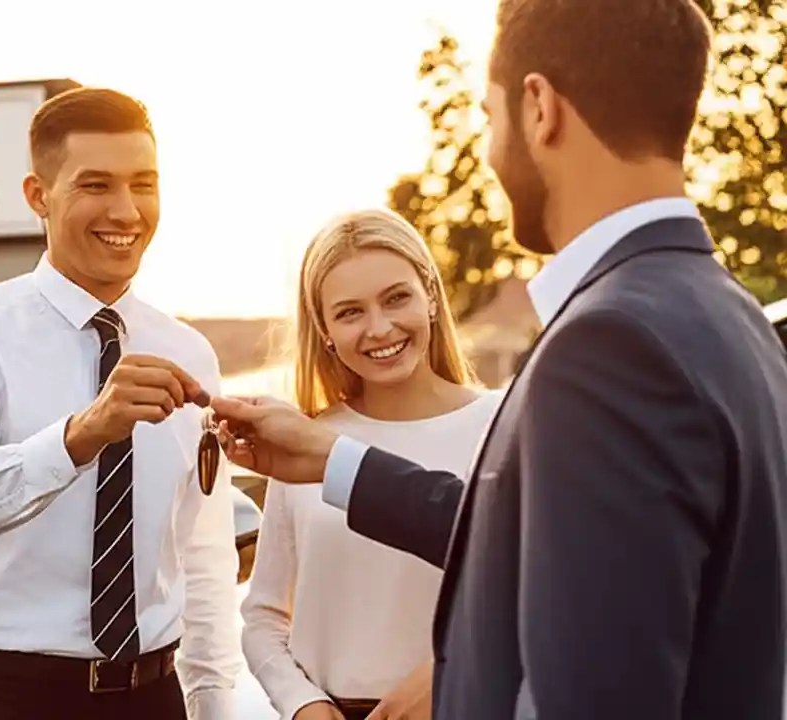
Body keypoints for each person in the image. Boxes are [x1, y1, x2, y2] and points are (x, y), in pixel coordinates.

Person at [209, 1, 787, 718]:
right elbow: (542, 545)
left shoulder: (609, 343)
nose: (487, 148)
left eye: (489, 116)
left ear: (539, 107)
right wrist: (335, 460)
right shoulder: (728, 316)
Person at [0, 87, 242, 720]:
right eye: (96, 186)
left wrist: (214, 702)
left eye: (143, 184)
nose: (127, 210)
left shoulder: (189, 352)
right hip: (7, 697)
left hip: (155, 699)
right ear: (39, 196)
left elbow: (203, 552)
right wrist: (82, 433)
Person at [240, 209, 503, 720]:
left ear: (430, 294)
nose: (379, 328)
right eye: (350, 312)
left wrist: (453, 672)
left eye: (396, 298)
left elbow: (538, 593)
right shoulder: (303, 444)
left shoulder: (505, 425)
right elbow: (263, 617)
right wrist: (303, 704)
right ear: (325, 330)